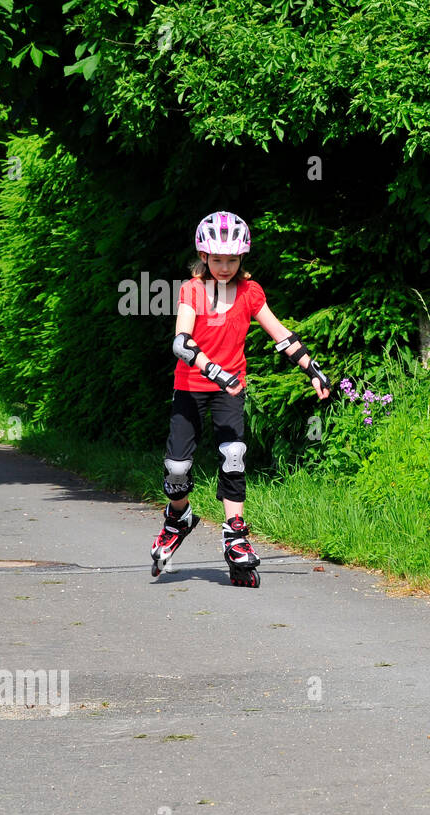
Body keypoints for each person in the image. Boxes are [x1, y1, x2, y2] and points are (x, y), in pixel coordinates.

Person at [150, 211, 332, 586]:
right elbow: (181, 342)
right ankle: (178, 518)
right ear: (203, 257)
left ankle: (235, 534)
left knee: (233, 455)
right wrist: (215, 370)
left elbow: (281, 335)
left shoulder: (251, 293)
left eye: (232, 259)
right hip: (191, 387)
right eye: (217, 259)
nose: (224, 266)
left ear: (242, 259)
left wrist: (312, 368)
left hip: (230, 390)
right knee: (177, 470)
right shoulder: (192, 290)